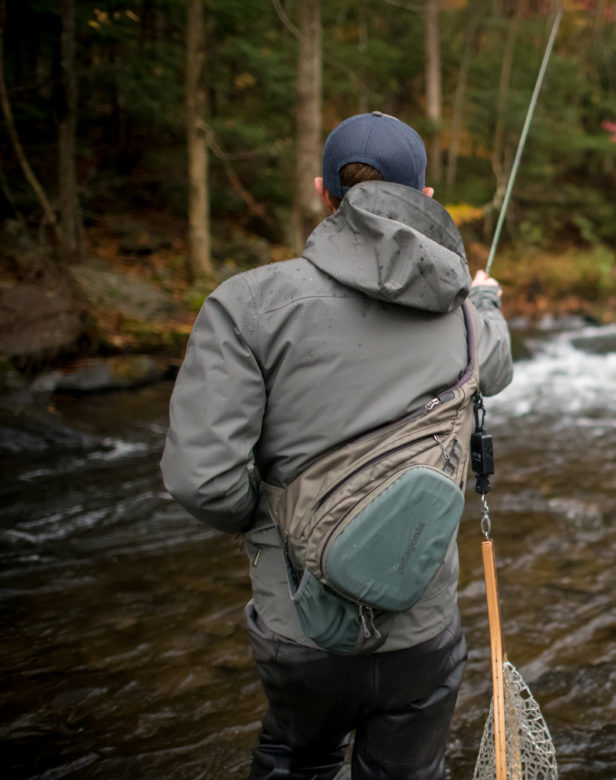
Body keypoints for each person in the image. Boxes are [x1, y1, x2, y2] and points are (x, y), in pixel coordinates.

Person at [160, 111, 513, 779]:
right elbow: (496, 367)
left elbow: (201, 481)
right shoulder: (466, 316)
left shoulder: (244, 304)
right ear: (425, 198)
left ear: (324, 193)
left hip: (298, 625)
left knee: (298, 761)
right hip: (422, 627)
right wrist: (486, 303)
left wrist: (279, 521)